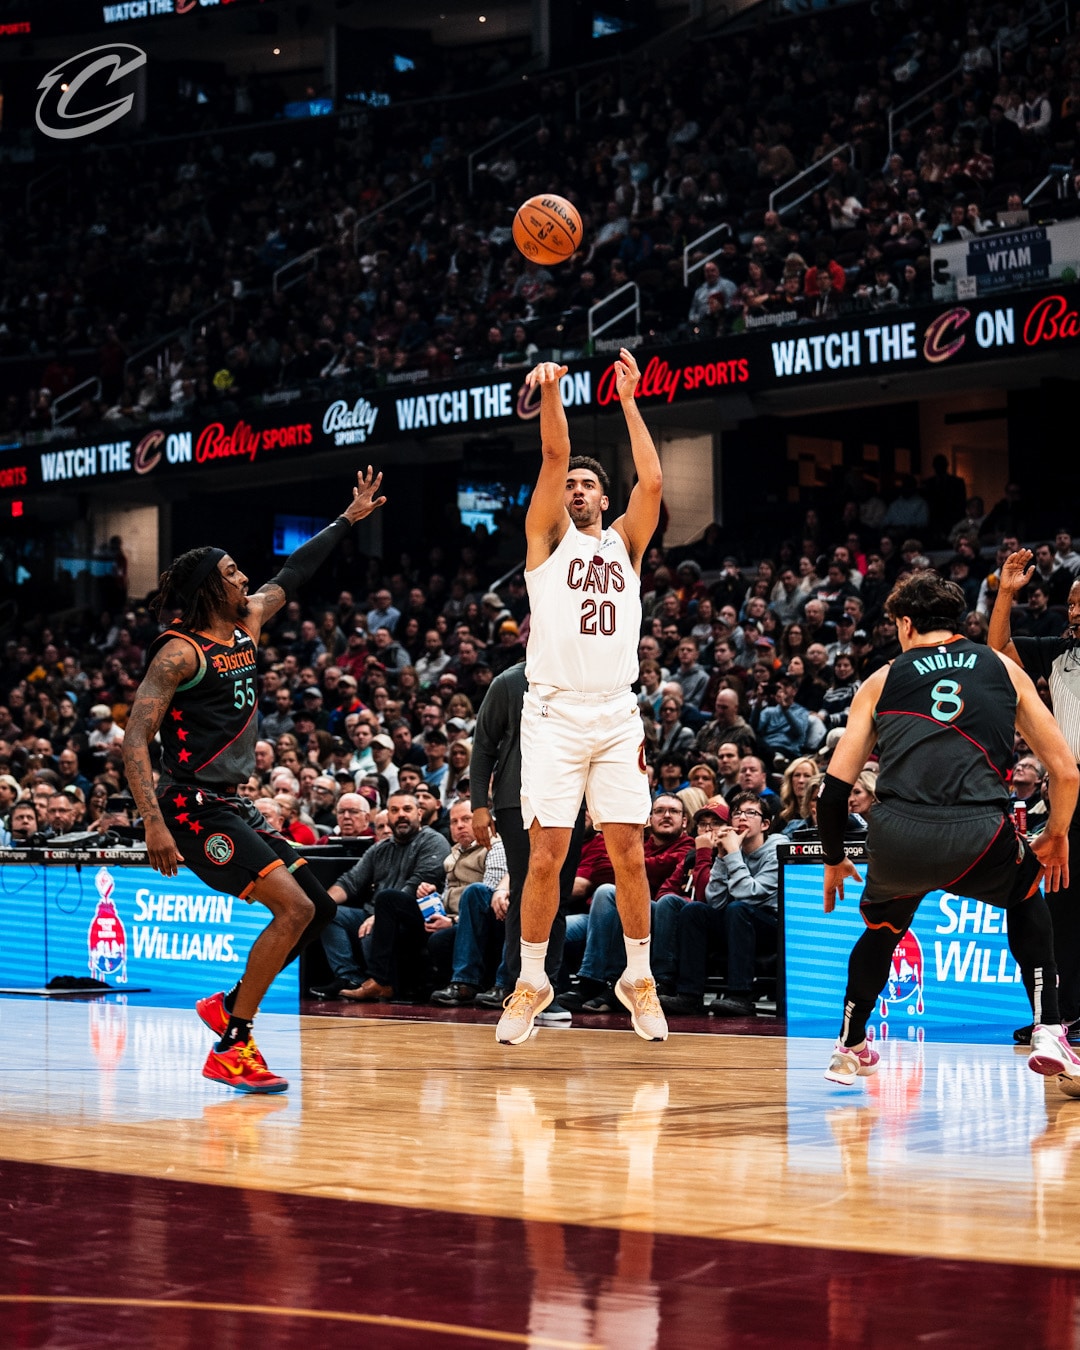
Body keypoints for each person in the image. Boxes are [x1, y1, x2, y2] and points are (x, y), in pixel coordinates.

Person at [122, 466, 387, 1093]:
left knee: (318, 907)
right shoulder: (180, 652)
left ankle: (229, 1003)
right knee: (293, 907)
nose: (247, 577)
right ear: (214, 585)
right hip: (188, 808)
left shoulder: (248, 624)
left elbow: (292, 572)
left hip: (231, 804)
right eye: (236, 571)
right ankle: (232, 1046)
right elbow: (135, 739)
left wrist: (347, 520)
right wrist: (153, 824)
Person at [817, 572, 1080, 1089]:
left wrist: (832, 859)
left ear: (907, 623)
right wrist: (1057, 833)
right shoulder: (1002, 667)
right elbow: (1066, 771)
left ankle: (848, 1046)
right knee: (1027, 897)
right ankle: (1050, 1028)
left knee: (881, 931)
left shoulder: (881, 679)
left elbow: (831, 792)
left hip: (896, 837)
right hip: (978, 834)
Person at [497, 348, 668, 1046]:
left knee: (628, 849)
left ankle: (639, 977)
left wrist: (628, 399)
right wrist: (554, 394)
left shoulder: (627, 542)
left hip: (617, 713)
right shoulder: (545, 541)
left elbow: (652, 477)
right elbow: (554, 450)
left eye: (586, 485)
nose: (573, 489)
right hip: (554, 715)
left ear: (604, 498)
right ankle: (531, 982)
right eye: (567, 485)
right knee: (546, 855)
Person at [990, 549, 1080, 1044]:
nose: (1073, 613)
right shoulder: (1060, 652)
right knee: (1062, 905)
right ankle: (1061, 1018)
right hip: (1071, 787)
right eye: (1069, 605)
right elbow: (999, 650)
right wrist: (1005, 593)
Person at [315, 790, 451, 998]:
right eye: (394, 810)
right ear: (388, 817)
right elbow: (350, 882)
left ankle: (382, 981)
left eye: (407, 809)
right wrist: (320, 904)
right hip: (376, 912)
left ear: (419, 814)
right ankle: (350, 977)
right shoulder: (380, 848)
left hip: (416, 916)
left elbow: (417, 884)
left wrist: (377, 916)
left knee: (386, 901)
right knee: (330, 913)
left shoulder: (433, 841)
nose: (401, 815)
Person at [659, 792, 780, 1017]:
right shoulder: (730, 847)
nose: (742, 817)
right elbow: (715, 901)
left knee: (738, 909)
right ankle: (689, 995)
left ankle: (741, 996)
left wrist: (732, 854)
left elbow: (751, 894)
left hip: (769, 926)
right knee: (694, 910)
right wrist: (723, 857)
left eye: (750, 813)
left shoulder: (776, 848)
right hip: (735, 922)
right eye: (737, 813)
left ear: (764, 824)